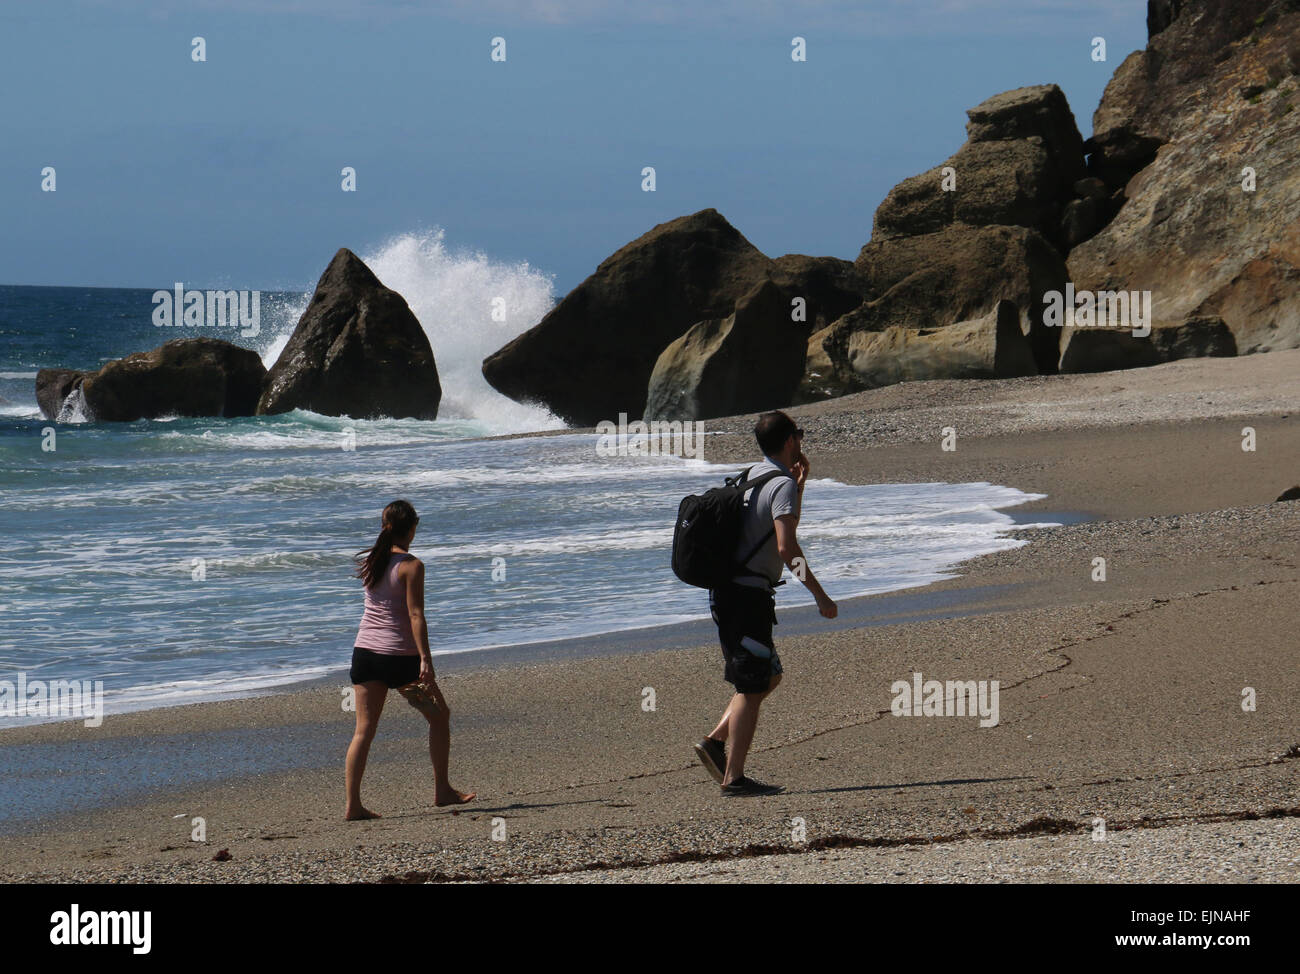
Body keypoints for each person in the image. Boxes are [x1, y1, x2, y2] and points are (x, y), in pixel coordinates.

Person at [693, 411, 838, 796]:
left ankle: (714, 742)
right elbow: (786, 546)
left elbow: (770, 528)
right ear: (790, 440)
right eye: (800, 435)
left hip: (726, 594)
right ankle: (734, 779)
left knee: (767, 676)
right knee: (751, 685)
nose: (802, 442)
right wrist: (820, 596)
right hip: (747, 598)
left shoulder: (750, 477)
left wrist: (799, 486)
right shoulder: (781, 485)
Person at [344, 499, 474, 820]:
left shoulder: (370, 562)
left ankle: (353, 806)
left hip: (365, 656)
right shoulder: (412, 566)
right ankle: (442, 790)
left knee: (364, 731)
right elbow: (416, 615)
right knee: (440, 716)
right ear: (413, 529)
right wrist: (425, 661)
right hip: (400, 660)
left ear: (384, 525)